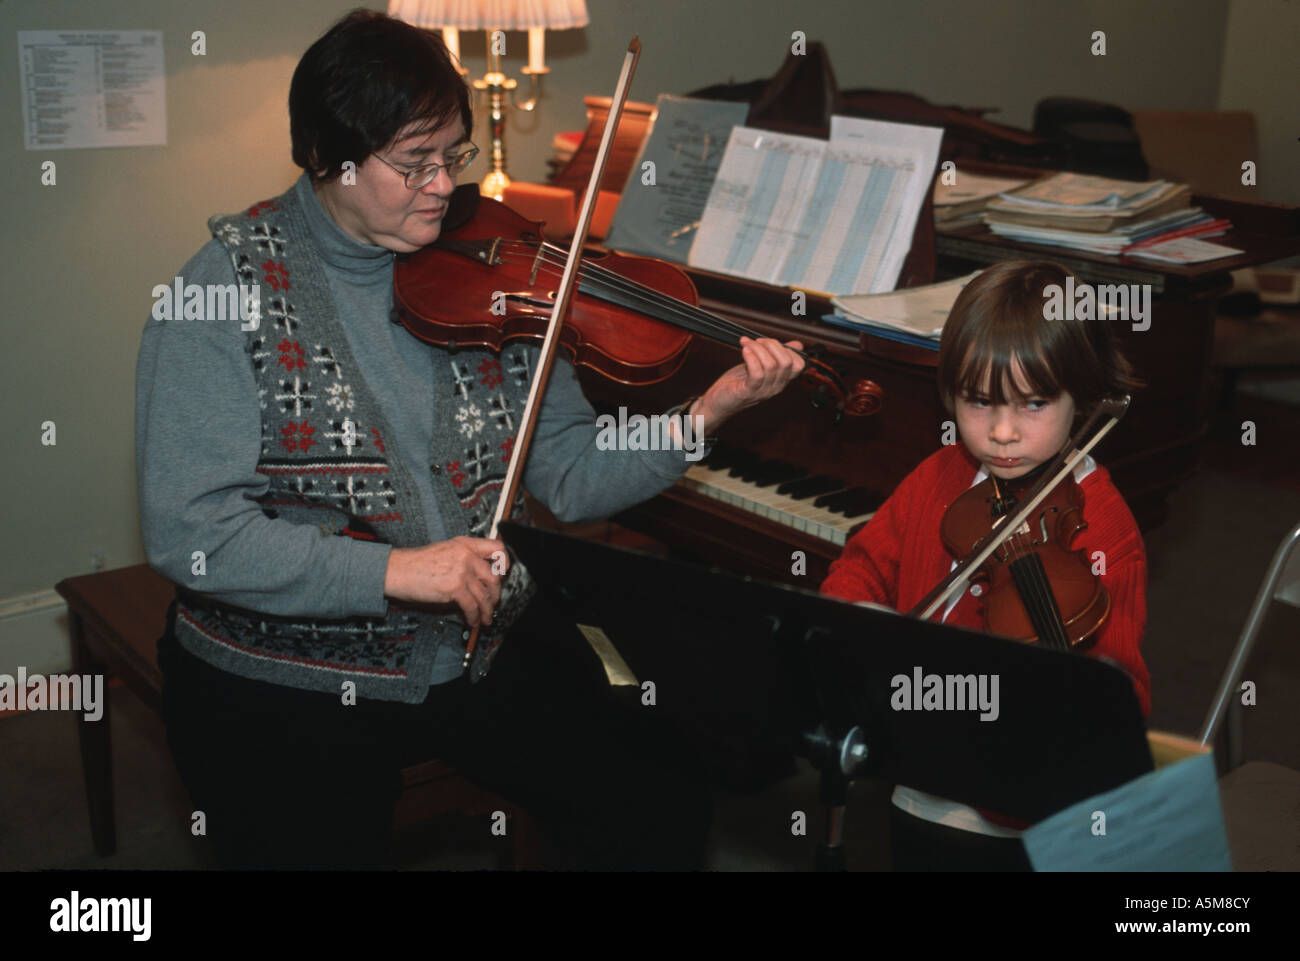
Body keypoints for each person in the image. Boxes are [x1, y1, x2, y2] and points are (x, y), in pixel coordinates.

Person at [134, 8, 805, 870]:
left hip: (468, 643)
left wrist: (702, 416)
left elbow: (565, 472)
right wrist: (398, 571)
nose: (443, 186)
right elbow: (193, 534)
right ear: (324, 158)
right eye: (413, 163)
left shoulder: (497, 272)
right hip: (279, 666)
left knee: (658, 793)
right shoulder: (221, 290)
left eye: (451, 155)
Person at [820, 259, 1150, 871]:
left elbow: (1120, 694)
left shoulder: (1102, 526)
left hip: (1019, 818)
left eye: (1032, 404)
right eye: (978, 402)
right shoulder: (938, 477)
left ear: (1082, 395)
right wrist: (861, 623)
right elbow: (863, 565)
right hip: (912, 783)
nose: (1000, 432)